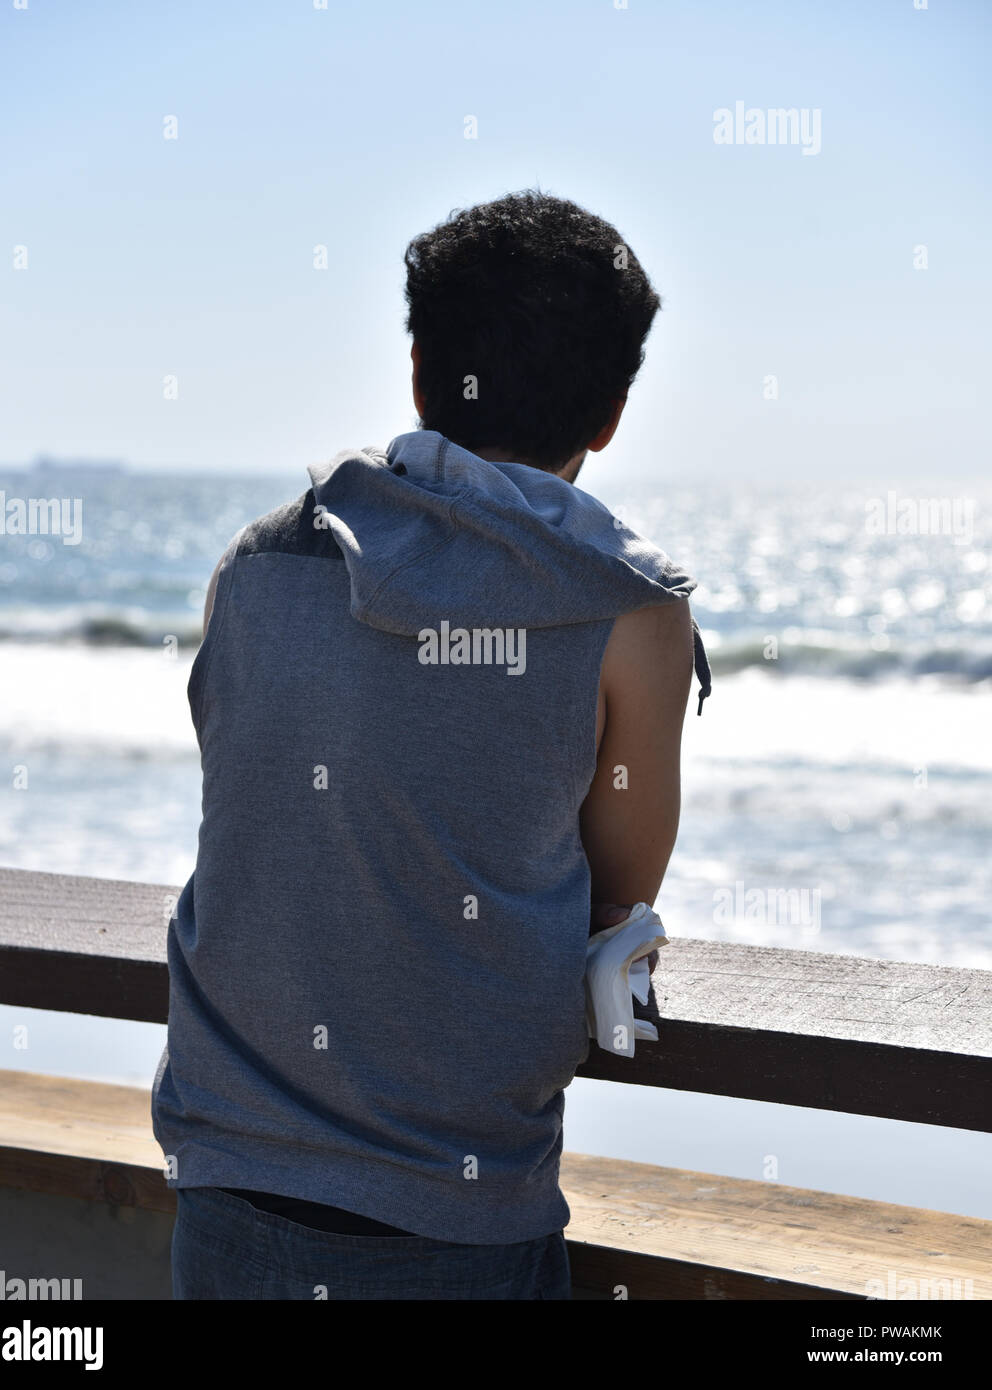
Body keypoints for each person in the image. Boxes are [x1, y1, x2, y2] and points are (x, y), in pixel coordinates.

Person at [151, 189, 710, 1300]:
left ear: (419, 374)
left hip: (224, 1173)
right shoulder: (628, 611)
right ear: (609, 412)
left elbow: (274, 814)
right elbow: (619, 895)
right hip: (459, 1205)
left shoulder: (257, 563)